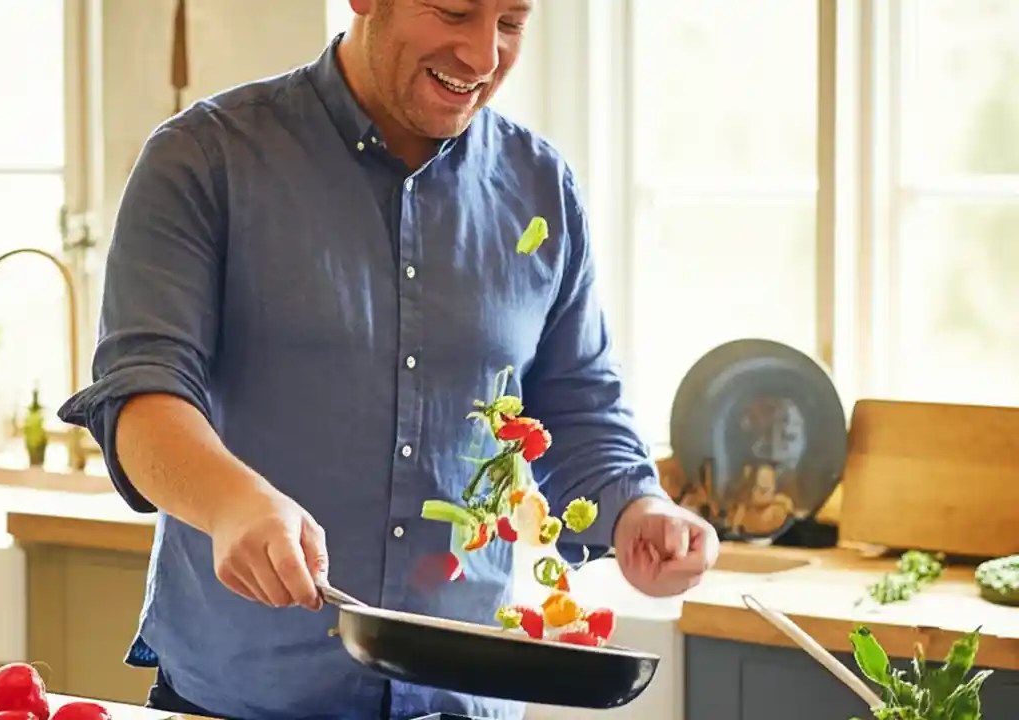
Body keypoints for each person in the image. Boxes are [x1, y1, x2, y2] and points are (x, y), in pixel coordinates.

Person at [57, 1, 718, 718]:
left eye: (511, 23)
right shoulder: (205, 157)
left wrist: (636, 510)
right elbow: (140, 398)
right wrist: (230, 503)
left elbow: (578, 408)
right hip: (241, 700)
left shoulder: (541, 190)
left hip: (464, 704)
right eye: (455, 12)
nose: (483, 56)